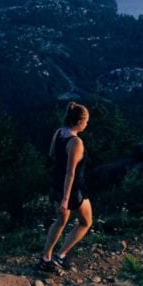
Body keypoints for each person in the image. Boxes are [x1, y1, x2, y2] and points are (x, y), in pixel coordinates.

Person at [39, 101, 92, 271]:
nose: (87, 124)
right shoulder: (76, 142)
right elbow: (71, 173)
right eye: (86, 121)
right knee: (85, 222)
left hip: (56, 183)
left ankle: (46, 258)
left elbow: (51, 154)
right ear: (79, 122)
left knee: (61, 220)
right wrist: (65, 199)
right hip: (73, 189)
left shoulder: (59, 133)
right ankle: (60, 256)